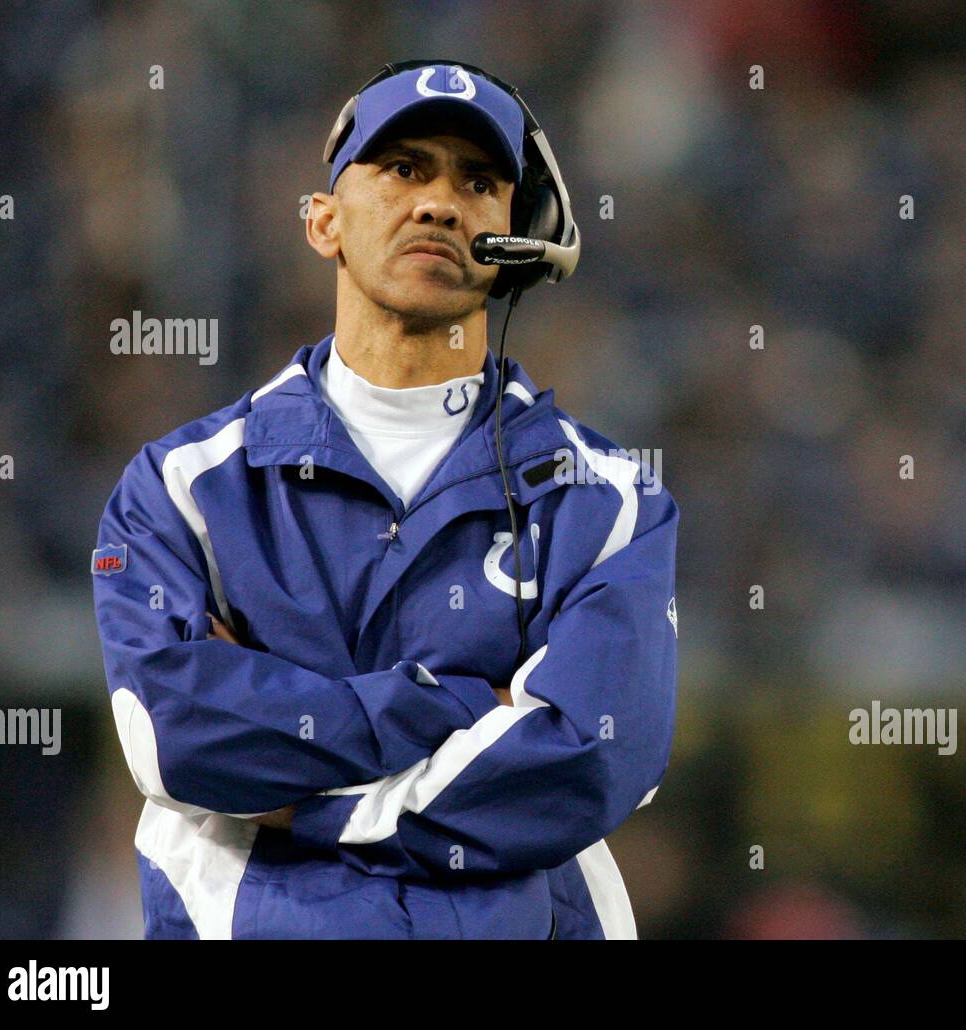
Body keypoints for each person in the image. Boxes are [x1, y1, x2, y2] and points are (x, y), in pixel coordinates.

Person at [90, 60, 680, 939]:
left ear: (517, 234)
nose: (440, 203)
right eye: (404, 168)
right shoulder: (182, 488)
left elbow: (592, 757)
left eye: (478, 181)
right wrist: (476, 710)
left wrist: (307, 798)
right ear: (323, 221)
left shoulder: (612, 499)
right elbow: (173, 736)